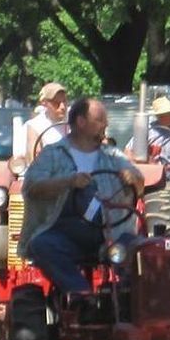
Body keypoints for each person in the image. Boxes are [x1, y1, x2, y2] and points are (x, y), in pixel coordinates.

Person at [19, 97, 145, 295]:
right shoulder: (53, 154)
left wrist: (134, 179)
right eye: (100, 120)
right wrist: (68, 182)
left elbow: (139, 184)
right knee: (41, 244)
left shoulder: (112, 155)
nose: (106, 124)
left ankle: (127, 296)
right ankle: (81, 294)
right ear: (81, 122)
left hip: (112, 234)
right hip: (65, 234)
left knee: (143, 248)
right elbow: (31, 186)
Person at [22, 81, 70, 162]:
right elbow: (34, 160)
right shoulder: (35, 126)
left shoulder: (75, 121)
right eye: (56, 103)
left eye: (64, 101)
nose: (62, 107)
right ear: (44, 103)